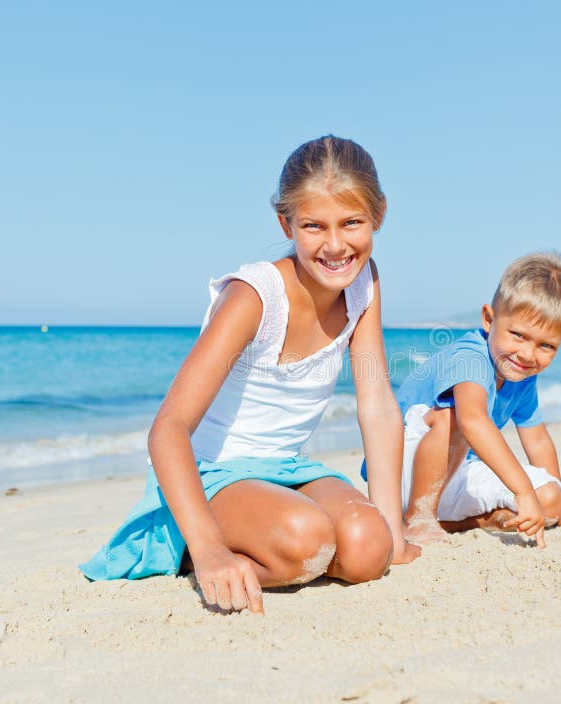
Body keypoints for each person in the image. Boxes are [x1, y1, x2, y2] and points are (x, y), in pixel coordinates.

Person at [80, 135, 420, 613]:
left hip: (286, 472)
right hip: (209, 477)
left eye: (352, 222)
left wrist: (394, 533)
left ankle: (272, 540)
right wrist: (209, 550)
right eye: (314, 226)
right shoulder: (253, 298)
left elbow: (378, 405)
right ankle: (196, 549)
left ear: (379, 214)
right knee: (307, 538)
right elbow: (168, 429)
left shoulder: (364, 283)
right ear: (286, 222)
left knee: (370, 546)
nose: (335, 245)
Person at [385, 251, 561, 547]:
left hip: (460, 475)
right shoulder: (470, 358)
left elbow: (537, 439)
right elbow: (472, 420)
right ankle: (419, 518)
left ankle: (462, 524)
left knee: (550, 502)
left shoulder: (522, 375)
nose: (527, 354)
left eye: (546, 346)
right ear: (489, 319)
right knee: (454, 416)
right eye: (518, 335)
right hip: (405, 474)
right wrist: (522, 491)